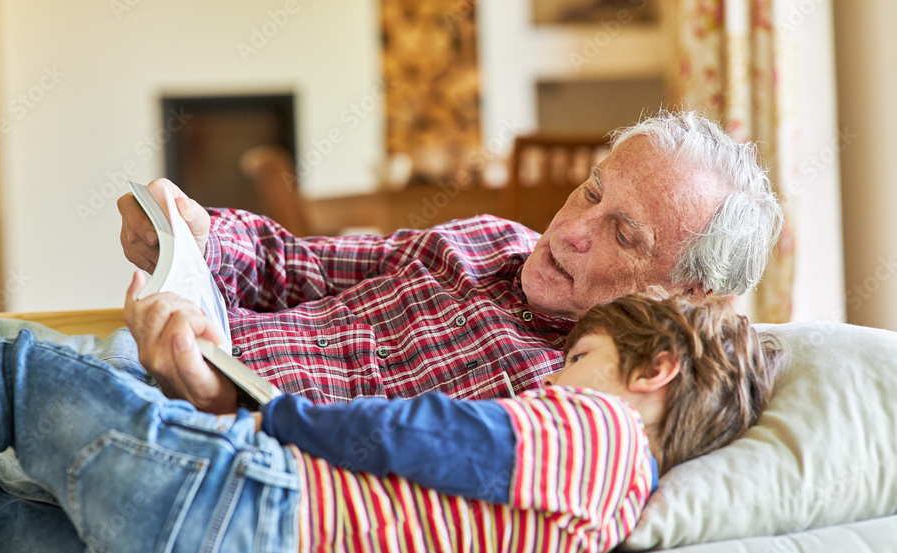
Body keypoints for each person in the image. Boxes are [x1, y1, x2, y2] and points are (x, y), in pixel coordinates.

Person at [0, 294, 785, 553]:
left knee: (12, 365)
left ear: (655, 366)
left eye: (577, 355)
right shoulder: (610, 516)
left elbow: (431, 434)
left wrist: (274, 409)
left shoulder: (600, 437)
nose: (554, 377)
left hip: (239, 507)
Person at [118, 110, 784, 413]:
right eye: (591, 190)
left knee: (21, 375)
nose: (572, 228)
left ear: (686, 295)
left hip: (202, 425)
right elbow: (300, 264)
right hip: (155, 350)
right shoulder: (487, 239)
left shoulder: (569, 395)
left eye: (623, 235)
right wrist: (200, 238)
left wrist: (222, 402)